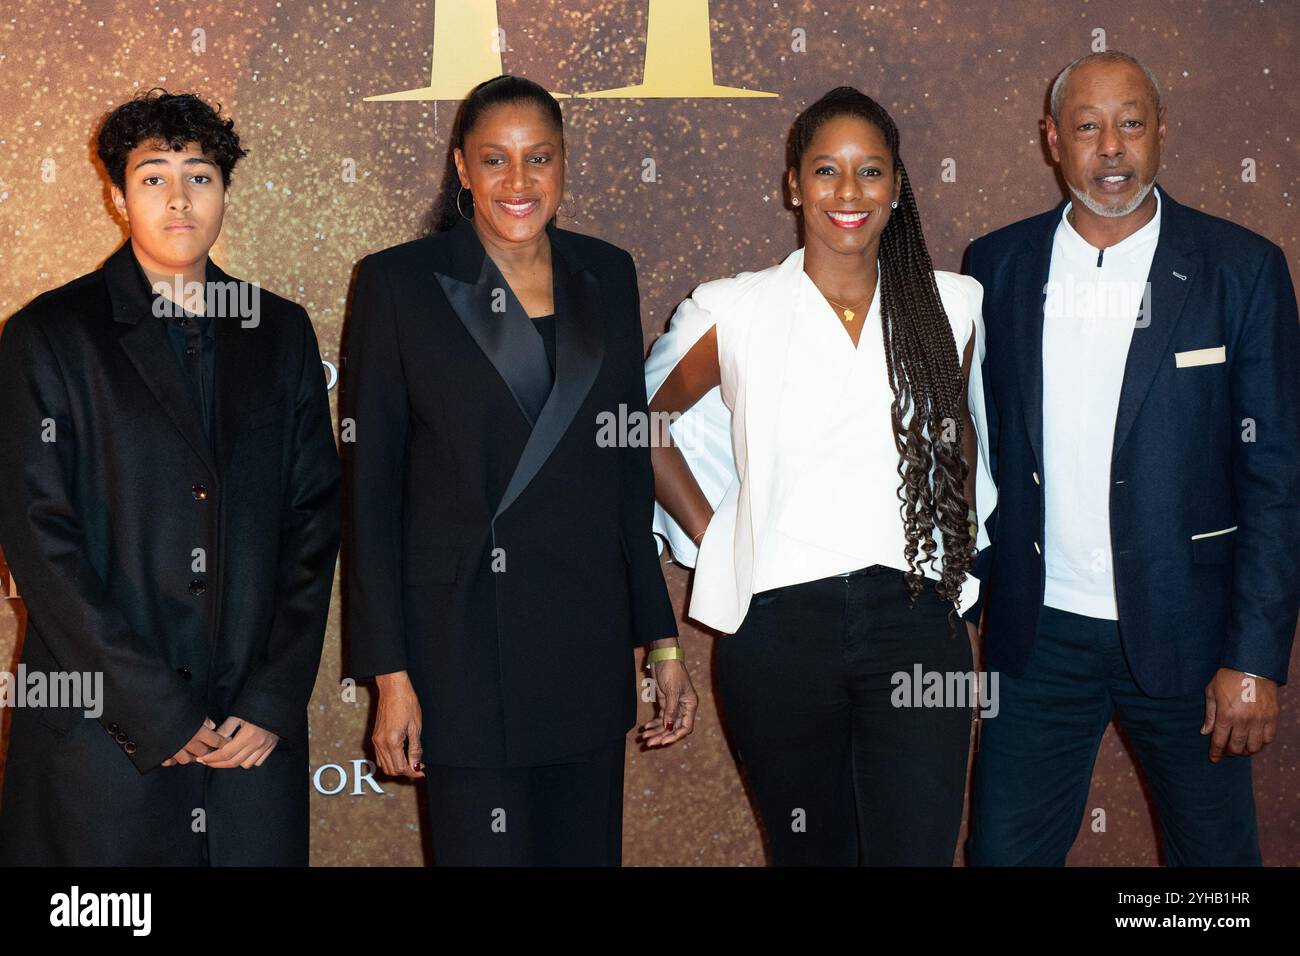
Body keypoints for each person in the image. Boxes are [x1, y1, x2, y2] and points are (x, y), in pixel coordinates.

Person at [343, 74, 697, 867]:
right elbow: (370, 497)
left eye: (539, 158)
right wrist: (389, 674)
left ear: (565, 164)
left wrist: (660, 639)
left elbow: (623, 471)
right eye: (495, 160)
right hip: (460, 652)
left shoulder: (607, 272)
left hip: (584, 642)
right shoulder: (399, 282)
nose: (518, 182)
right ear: (462, 168)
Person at [964, 51, 1300, 866]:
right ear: (1052, 140)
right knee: (1003, 854)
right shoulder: (997, 266)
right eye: (1086, 126)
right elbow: (978, 441)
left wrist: (1254, 659)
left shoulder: (1241, 269)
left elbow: (1277, 478)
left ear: (1160, 132)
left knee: (1214, 868)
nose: (1110, 147)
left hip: (1190, 636)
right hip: (1038, 632)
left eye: (1130, 124)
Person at [645, 87, 994, 866]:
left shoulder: (953, 304)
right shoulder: (731, 309)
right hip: (776, 633)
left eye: (870, 171)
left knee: (917, 852)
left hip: (916, 621)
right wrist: (722, 539)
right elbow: (642, 427)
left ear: (897, 185)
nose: (849, 192)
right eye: (826, 170)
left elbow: (961, 440)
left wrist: (954, 554)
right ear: (793, 184)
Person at [0, 89, 341, 865]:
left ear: (225, 193)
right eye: (153, 177)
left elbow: (313, 520)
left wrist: (272, 696)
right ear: (118, 198)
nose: (179, 198)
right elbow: (37, 537)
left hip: (249, 742)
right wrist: (158, 712)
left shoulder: (279, 330)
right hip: (105, 745)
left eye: (201, 175)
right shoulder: (49, 336)